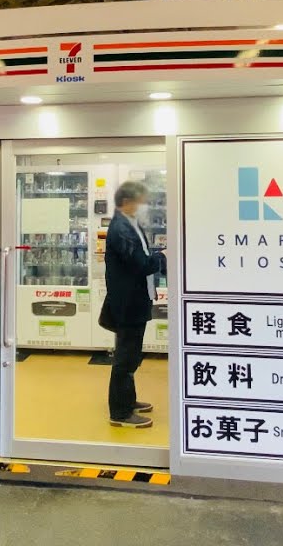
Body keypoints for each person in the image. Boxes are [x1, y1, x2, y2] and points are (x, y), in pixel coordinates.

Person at [97, 181, 166, 428]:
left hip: (136, 301)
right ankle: (120, 413)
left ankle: (128, 400)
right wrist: (163, 257)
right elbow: (140, 263)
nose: (144, 205)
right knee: (125, 359)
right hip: (127, 304)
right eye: (141, 200)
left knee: (132, 356)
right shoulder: (120, 229)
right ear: (127, 202)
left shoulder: (130, 224)